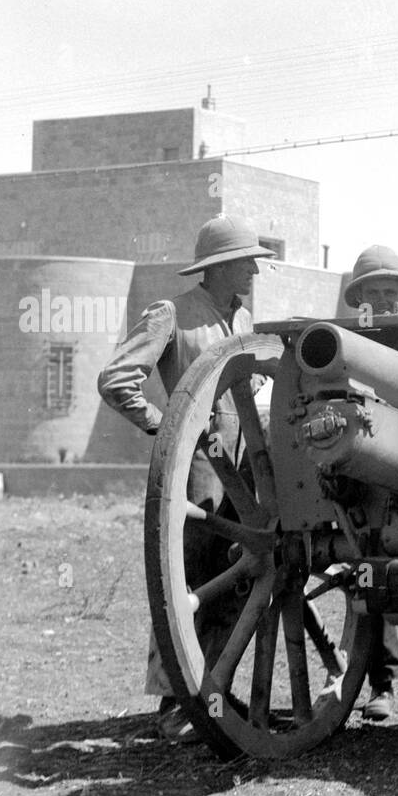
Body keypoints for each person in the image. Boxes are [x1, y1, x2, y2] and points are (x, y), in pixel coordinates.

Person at [98, 214, 274, 742]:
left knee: (238, 576)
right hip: (196, 468)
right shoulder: (172, 315)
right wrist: (167, 426)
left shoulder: (243, 322)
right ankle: (174, 703)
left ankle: (210, 686)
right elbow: (115, 380)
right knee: (185, 579)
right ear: (219, 267)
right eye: (247, 262)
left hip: (241, 470)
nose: (255, 272)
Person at [342, 245, 398, 721]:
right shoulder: (342, 345)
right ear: (358, 296)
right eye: (374, 292)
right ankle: (377, 685)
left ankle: (377, 680)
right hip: (360, 473)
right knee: (367, 573)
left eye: (391, 293)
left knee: (377, 572)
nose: (384, 301)